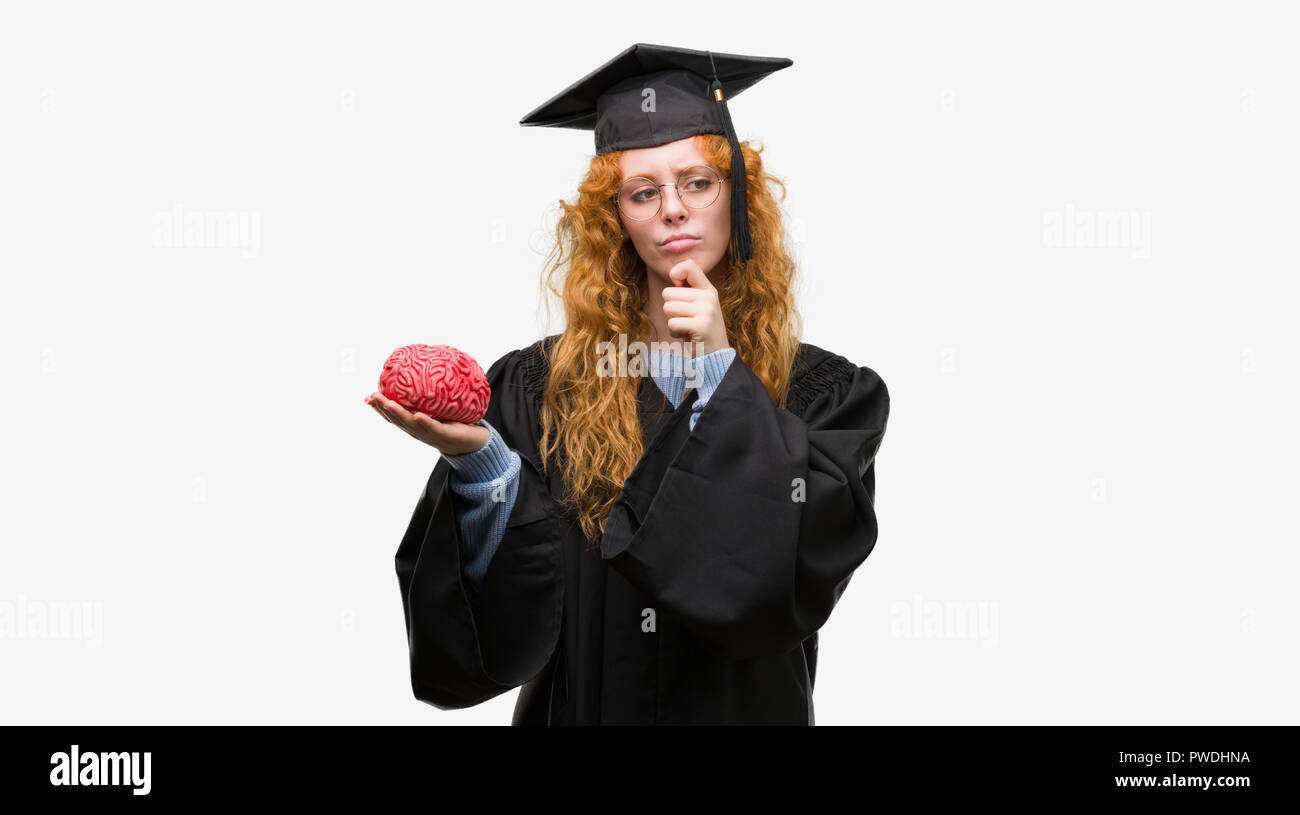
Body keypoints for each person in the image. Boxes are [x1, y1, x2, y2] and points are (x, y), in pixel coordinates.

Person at [365, 43, 890, 725]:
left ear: (739, 197)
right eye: (644, 192)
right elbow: (489, 637)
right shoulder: (541, 386)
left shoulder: (825, 394)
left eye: (698, 182)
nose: (673, 209)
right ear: (615, 218)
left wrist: (717, 366)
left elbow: (775, 590)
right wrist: (482, 463)